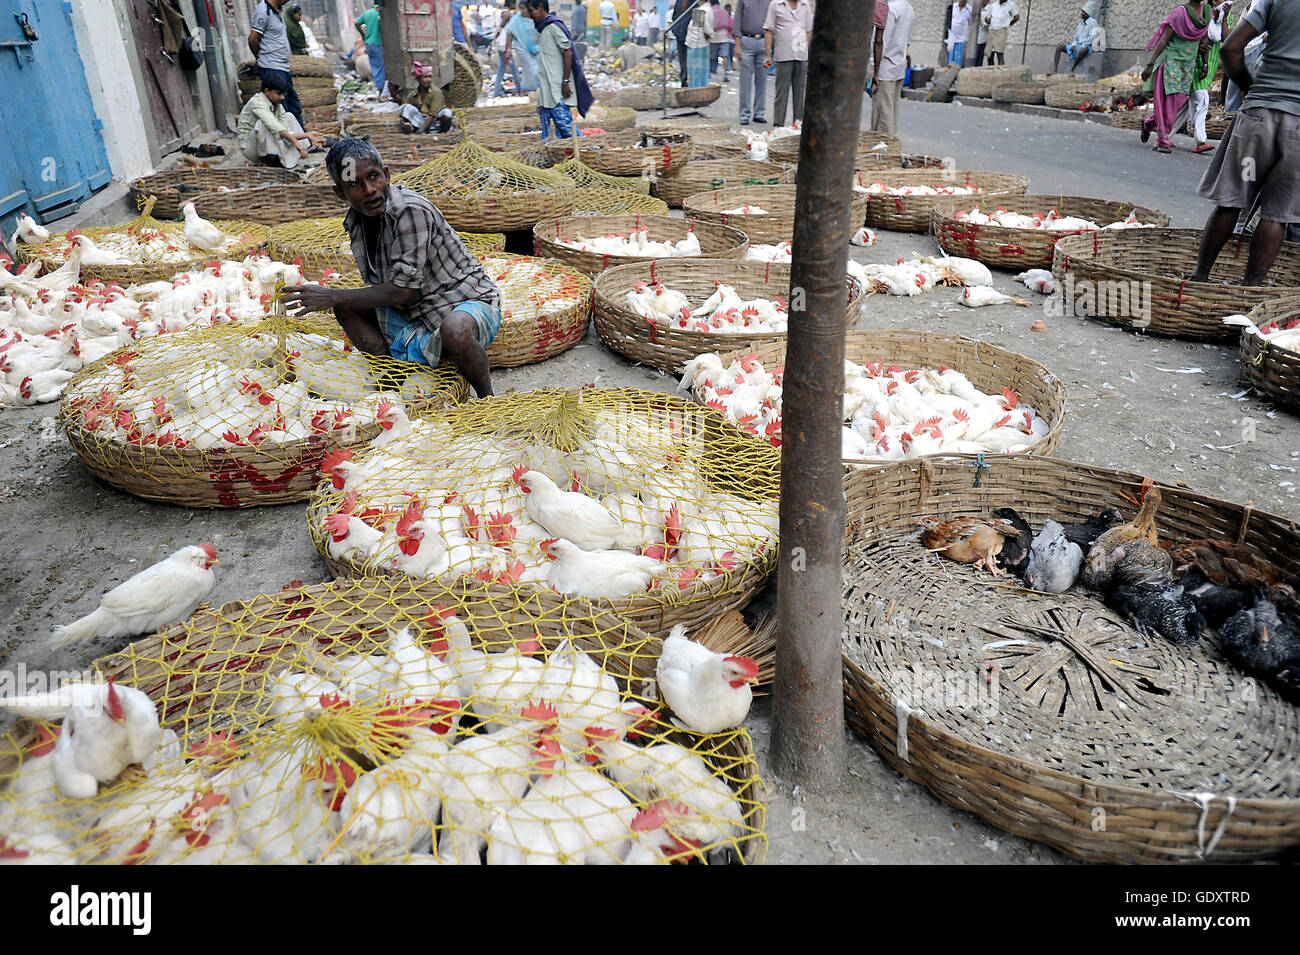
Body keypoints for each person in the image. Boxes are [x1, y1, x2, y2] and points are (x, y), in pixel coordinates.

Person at [282, 139, 502, 399]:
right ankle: (394, 376)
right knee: (346, 308)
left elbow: (403, 291)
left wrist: (332, 294)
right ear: (340, 193)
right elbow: (390, 290)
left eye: (374, 177)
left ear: (386, 175)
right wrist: (338, 299)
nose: (369, 190)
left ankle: (487, 398)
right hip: (413, 311)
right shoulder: (356, 221)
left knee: (454, 331)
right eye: (355, 184)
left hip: (463, 301)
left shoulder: (409, 210)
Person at [1190, 0, 1299, 285]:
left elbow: (1230, 48)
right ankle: (1249, 290)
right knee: (1277, 215)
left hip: (1258, 116)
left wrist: (1249, 88)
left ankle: (1200, 277)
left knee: (1231, 200)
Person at [1139, 0, 1211, 153]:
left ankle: (1149, 123)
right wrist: (1150, 64)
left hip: (1187, 65)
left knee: (1176, 104)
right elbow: (1164, 40)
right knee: (1164, 104)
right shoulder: (1179, 13)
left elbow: (1204, 42)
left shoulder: (1206, 13)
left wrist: (1205, 64)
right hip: (1169, 62)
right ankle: (1162, 140)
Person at [526, 0, 589, 139]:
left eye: (532, 11)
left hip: (556, 87)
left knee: (565, 125)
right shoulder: (544, 28)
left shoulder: (553, 26)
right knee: (550, 129)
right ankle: (559, 154)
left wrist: (565, 81)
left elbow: (568, 51)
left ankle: (584, 152)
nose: (531, 15)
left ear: (541, 8)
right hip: (547, 86)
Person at [237, 72, 322, 168]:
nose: (282, 97)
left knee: (289, 116)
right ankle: (267, 159)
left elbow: (286, 131)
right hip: (250, 148)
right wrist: (297, 145)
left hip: (266, 138)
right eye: (278, 93)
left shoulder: (278, 105)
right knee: (264, 123)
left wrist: (306, 135)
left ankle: (279, 158)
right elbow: (275, 127)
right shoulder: (257, 102)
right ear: (267, 91)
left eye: (283, 94)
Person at [249, 0, 304, 129]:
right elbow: (253, 39)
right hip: (272, 67)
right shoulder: (263, 11)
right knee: (282, 109)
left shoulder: (277, 12)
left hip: (282, 67)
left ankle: (302, 141)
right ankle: (289, 142)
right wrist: (260, 58)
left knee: (294, 105)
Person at [1190, 0, 1234, 152]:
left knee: (1185, 104)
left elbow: (1226, 38)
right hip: (1198, 60)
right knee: (1203, 99)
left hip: (1212, 61)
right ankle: (1201, 141)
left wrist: (1225, 18)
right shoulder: (1203, 11)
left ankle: (1159, 129)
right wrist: (1205, 64)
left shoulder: (1226, 16)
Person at [764, 0, 812, 126]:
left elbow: (808, 31)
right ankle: (778, 125)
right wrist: (768, 55)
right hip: (783, 54)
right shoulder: (776, 4)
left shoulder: (805, 5)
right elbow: (769, 30)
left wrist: (806, 51)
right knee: (782, 92)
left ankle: (798, 126)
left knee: (800, 92)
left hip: (801, 56)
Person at [872, 0, 914, 135]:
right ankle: (889, 145)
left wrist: (875, 72)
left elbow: (881, 42)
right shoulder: (909, 9)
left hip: (885, 68)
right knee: (892, 111)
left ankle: (883, 148)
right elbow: (907, 41)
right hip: (899, 66)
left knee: (883, 115)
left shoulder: (891, 9)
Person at [734, 0, 771, 124]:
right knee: (745, 81)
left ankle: (759, 113)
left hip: (764, 42)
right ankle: (744, 114)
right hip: (746, 41)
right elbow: (737, 21)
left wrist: (770, 48)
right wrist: (737, 45)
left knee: (762, 80)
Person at [400, 61, 454, 133]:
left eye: (430, 77)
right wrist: (405, 123)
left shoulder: (436, 92)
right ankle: (423, 130)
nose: (428, 80)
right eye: (425, 77)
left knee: (447, 113)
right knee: (405, 107)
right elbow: (407, 113)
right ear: (418, 79)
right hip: (422, 121)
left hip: (435, 121)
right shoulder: (413, 95)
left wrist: (421, 130)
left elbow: (433, 115)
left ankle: (441, 132)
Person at [505, 0, 541, 91]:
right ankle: (531, 88)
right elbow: (510, 33)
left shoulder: (535, 18)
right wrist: (508, 49)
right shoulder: (516, 19)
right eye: (520, 8)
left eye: (523, 8)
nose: (521, 11)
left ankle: (528, 89)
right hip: (521, 48)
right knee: (532, 69)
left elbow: (539, 34)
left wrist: (538, 46)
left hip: (535, 49)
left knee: (531, 70)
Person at [1053, 3, 1099, 72]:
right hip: (1077, 45)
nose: (1082, 13)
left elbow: (1091, 37)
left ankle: (1072, 69)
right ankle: (1055, 70)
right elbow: (1076, 38)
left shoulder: (1093, 22)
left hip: (1087, 47)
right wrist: (1074, 45)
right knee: (1059, 47)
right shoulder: (1080, 25)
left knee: (1082, 50)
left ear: (1088, 13)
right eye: (1082, 12)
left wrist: (1083, 46)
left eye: (1084, 12)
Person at [355, 1, 386, 94]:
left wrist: (363, 35)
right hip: (378, 43)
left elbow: (356, 23)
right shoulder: (382, 12)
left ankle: (380, 88)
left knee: (375, 66)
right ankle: (382, 90)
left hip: (369, 43)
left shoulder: (368, 13)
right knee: (381, 67)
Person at [494, 0, 523, 95]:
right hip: (505, 46)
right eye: (515, 3)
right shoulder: (506, 13)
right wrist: (509, 49)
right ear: (511, 4)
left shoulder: (499, 11)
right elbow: (508, 32)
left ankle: (496, 92)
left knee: (501, 69)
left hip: (500, 45)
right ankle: (519, 90)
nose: (516, 5)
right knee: (514, 70)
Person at [685, 0, 717, 86]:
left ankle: (696, 91)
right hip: (703, 44)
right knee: (703, 72)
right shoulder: (709, 9)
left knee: (695, 72)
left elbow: (698, 30)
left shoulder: (700, 10)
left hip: (696, 46)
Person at [980, 0, 1019, 66]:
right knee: (989, 54)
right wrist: (987, 20)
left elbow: (1016, 17)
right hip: (992, 30)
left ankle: (1001, 71)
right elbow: (988, 18)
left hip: (1001, 31)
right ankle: (991, 71)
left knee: (999, 53)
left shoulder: (1011, 5)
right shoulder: (994, 5)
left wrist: (1008, 24)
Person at [671, 0, 692, 82]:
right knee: (682, 58)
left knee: (689, 58)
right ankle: (683, 78)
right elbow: (675, 16)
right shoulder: (679, 1)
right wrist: (675, 30)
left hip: (690, 34)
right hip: (680, 34)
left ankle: (687, 77)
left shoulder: (695, 2)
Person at [710, 0, 733, 76]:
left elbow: (710, 24)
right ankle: (725, 74)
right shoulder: (725, 12)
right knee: (725, 56)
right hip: (725, 36)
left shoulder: (711, 11)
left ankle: (711, 71)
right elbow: (730, 25)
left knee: (712, 56)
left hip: (714, 36)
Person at [947, 0, 971, 67]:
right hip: (951, 38)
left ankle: (956, 76)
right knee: (950, 59)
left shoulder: (969, 10)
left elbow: (971, 22)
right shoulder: (953, 7)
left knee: (958, 61)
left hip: (961, 39)